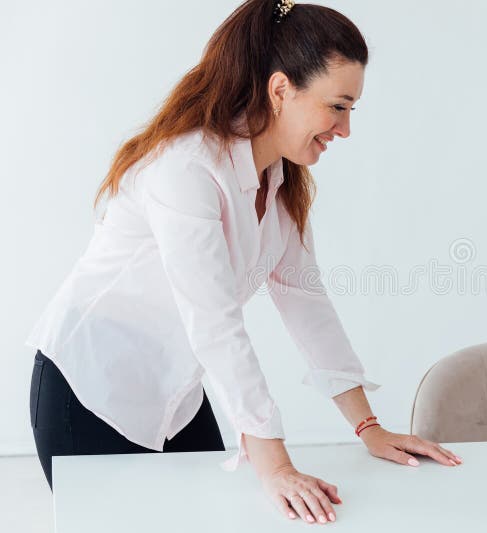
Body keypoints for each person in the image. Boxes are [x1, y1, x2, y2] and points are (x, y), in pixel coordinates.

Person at [27, 0, 460, 524]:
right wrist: (274, 463)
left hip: (173, 395)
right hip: (89, 391)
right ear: (281, 90)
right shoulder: (186, 170)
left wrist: (369, 428)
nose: (345, 129)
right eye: (338, 106)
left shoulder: (281, 184)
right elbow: (214, 322)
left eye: (352, 110)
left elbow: (308, 307)